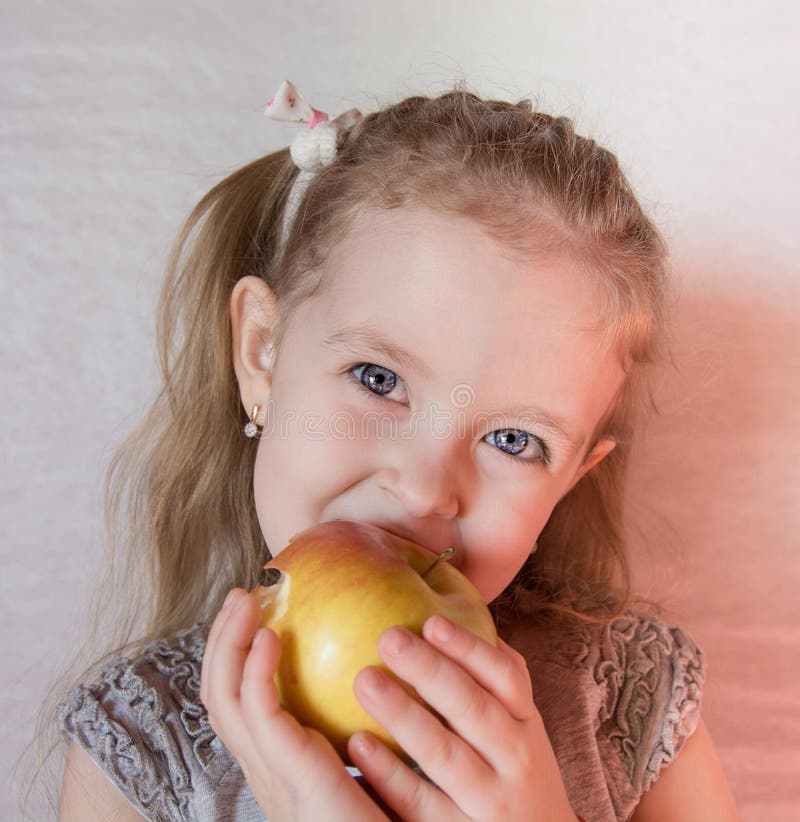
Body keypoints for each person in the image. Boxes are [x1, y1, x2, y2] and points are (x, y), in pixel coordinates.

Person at [54, 81, 740, 821]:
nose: (424, 488)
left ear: (570, 480)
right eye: (379, 380)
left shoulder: (626, 699)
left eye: (514, 441)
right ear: (261, 353)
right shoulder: (140, 744)